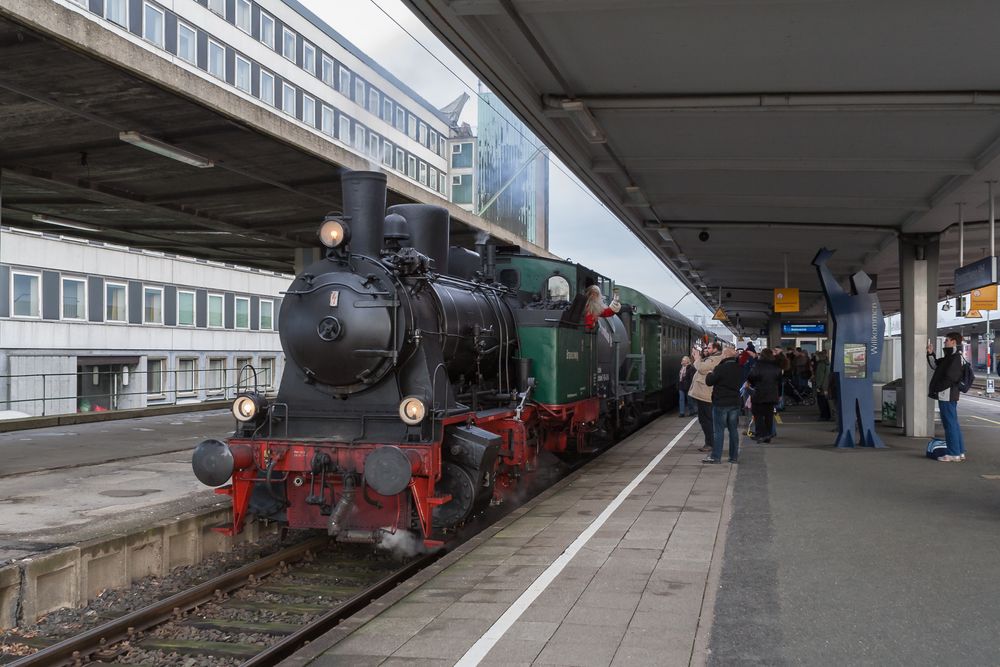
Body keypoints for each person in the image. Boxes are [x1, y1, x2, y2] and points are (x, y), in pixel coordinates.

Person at [927, 332, 966, 462]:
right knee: (953, 423)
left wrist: (937, 387)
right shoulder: (952, 356)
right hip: (949, 394)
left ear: (954, 342)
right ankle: (959, 452)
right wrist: (930, 353)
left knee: (949, 424)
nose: (945, 342)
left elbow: (950, 377)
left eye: (947, 340)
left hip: (947, 394)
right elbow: (936, 365)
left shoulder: (954, 357)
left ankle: (953, 453)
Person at [704, 347, 743, 463]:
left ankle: (716, 457)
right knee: (733, 430)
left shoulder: (720, 368)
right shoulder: (739, 368)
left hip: (721, 403)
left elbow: (709, 382)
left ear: (725, 356)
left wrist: (710, 374)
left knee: (719, 431)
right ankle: (733, 457)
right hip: (735, 403)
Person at [688, 342, 723, 453]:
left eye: (709, 348)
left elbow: (702, 368)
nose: (706, 349)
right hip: (704, 394)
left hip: (706, 395)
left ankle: (710, 444)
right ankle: (710, 443)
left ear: (715, 349)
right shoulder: (712, 358)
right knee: (705, 420)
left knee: (707, 420)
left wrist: (697, 358)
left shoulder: (716, 359)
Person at [747, 348, 782, 443]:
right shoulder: (776, 366)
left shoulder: (758, 365)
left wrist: (754, 384)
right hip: (772, 394)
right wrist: (779, 394)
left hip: (759, 394)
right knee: (769, 416)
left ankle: (761, 434)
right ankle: (768, 435)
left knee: (757, 414)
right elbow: (779, 382)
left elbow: (750, 377)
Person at [813, 350, 832, 420]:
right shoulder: (827, 363)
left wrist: (819, 386)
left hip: (821, 386)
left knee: (821, 402)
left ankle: (824, 416)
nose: (816, 357)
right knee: (825, 401)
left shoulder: (821, 364)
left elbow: (820, 376)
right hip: (826, 385)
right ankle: (827, 415)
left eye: (817, 356)